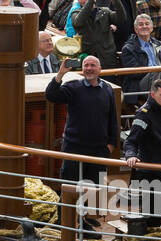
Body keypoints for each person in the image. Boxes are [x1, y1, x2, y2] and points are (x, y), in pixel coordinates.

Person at [45, 54, 119, 185]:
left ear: (100, 69)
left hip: (99, 151)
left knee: (94, 193)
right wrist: (60, 74)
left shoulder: (107, 89)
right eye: (86, 65)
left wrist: (111, 146)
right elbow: (51, 95)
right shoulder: (73, 87)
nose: (89, 68)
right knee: (69, 191)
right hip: (74, 149)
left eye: (92, 65)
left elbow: (112, 119)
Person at [122, 77, 161, 227]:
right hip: (149, 171)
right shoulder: (144, 114)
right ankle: (146, 238)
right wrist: (131, 155)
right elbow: (131, 140)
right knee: (151, 211)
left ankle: (150, 234)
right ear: (153, 95)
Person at [118, 13, 161, 105]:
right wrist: (157, 71)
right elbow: (134, 72)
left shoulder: (160, 44)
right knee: (156, 71)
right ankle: (158, 104)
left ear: (151, 28)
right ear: (136, 29)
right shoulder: (129, 48)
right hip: (140, 84)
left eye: (147, 24)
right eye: (141, 25)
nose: (144, 26)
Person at [69, 0, 120, 68]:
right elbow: (78, 22)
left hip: (107, 60)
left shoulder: (104, 11)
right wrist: (91, 0)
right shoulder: (75, 12)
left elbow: (122, 18)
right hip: (88, 62)